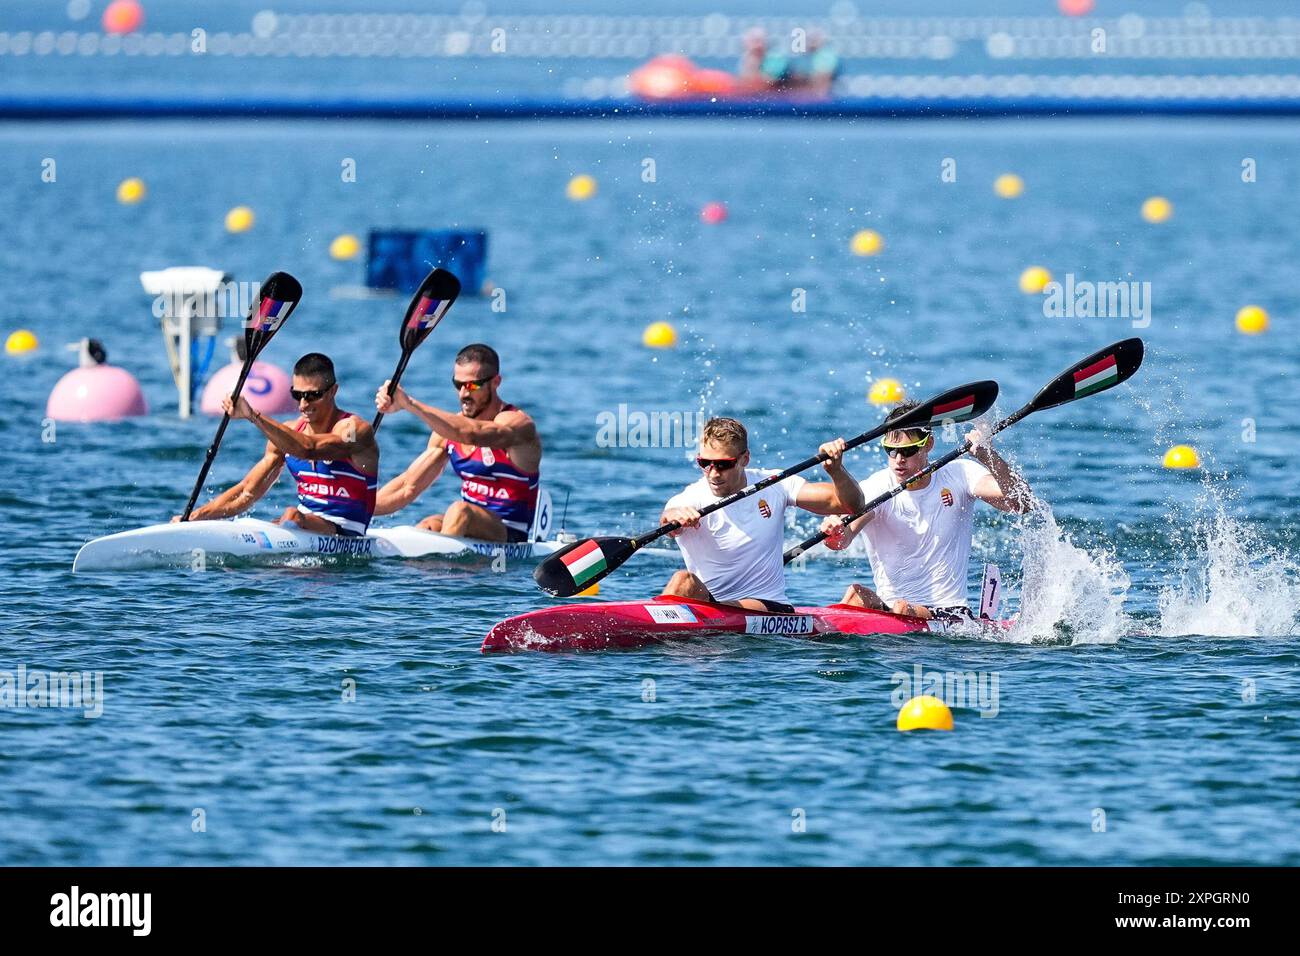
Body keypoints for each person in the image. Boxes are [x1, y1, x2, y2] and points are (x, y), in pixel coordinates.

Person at [821, 400, 1033, 620]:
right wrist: (834, 531)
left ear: (928, 444)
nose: (898, 460)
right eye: (891, 450)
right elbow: (841, 541)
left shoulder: (960, 474)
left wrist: (988, 455)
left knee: (902, 609)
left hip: (950, 613)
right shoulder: (876, 487)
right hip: (893, 611)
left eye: (908, 451)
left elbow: (1021, 503)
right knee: (856, 594)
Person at [660, 417, 865, 612]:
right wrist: (674, 518)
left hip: (768, 606)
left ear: (745, 459)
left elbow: (851, 505)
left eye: (723, 464)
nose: (713, 473)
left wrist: (836, 470)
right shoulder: (689, 499)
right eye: (705, 463)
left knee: (686, 587)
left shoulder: (774, 484)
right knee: (683, 581)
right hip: (712, 607)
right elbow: (668, 520)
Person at [177, 353, 379, 535]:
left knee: (291, 514)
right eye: (297, 395)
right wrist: (194, 517)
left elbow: (309, 448)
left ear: (333, 391)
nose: (303, 404)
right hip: (303, 525)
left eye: (312, 395)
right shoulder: (287, 434)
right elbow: (247, 492)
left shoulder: (355, 430)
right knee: (266, 523)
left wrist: (253, 416)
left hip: (347, 533)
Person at [372, 343, 542, 542]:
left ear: (496, 382)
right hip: (467, 525)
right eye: (458, 385)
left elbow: (472, 434)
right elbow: (408, 487)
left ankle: (446, 569)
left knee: (459, 511)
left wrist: (409, 404)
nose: (463, 394)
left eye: (472, 385)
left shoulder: (517, 424)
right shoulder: (445, 432)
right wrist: (356, 506)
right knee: (428, 525)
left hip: (510, 533)